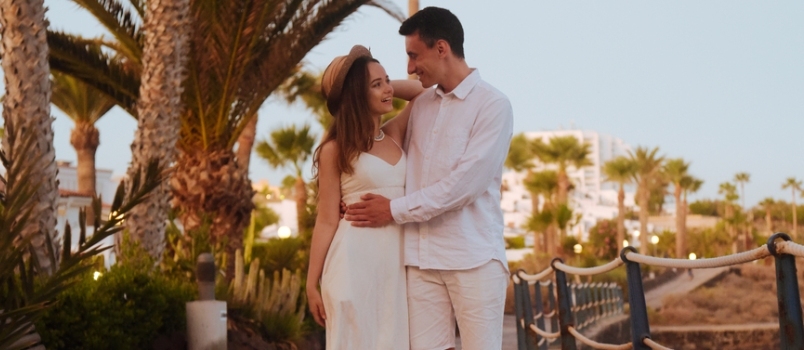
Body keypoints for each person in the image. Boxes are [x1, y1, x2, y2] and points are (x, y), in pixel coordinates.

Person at [344, 7, 514, 350]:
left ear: (441, 48)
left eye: (413, 55)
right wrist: (351, 195)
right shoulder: (420, 106)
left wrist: (392, 210)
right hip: (419, 262)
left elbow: (462, 188)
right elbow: (375, 149)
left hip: (474, 259)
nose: (409, 67)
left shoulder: (493, 106)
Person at [306, 45, 422, 350]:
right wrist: (311, 284)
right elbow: (327, 219)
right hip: (352, 267)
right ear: (357, 96)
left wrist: (382, 84)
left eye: (387, 81)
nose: (388, 89)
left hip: (396, 271)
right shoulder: (335, 149)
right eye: (377, 84)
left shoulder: (394, 134)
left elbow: (425, 92)